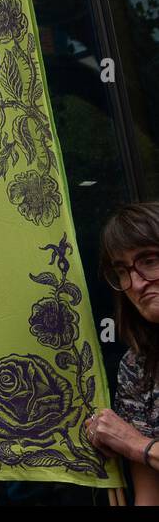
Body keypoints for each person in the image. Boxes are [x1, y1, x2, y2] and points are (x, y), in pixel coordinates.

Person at [85, 202, 159, 505]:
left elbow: (134, 445)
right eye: (122, 271)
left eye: (150, 260)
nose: (137, 283)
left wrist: (134, 443)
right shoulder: (136, 366)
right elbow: (149, 496)